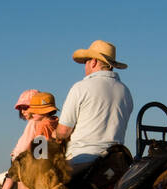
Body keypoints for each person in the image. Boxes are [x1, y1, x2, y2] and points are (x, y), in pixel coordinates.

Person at [54, 38, 133, 173]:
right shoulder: (125, 91)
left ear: (94, 62)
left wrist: (52, 135)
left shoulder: (80, 87)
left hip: (83, 159)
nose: (85, 66)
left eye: (86, 62)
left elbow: (63, 131)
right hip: (116, 163)